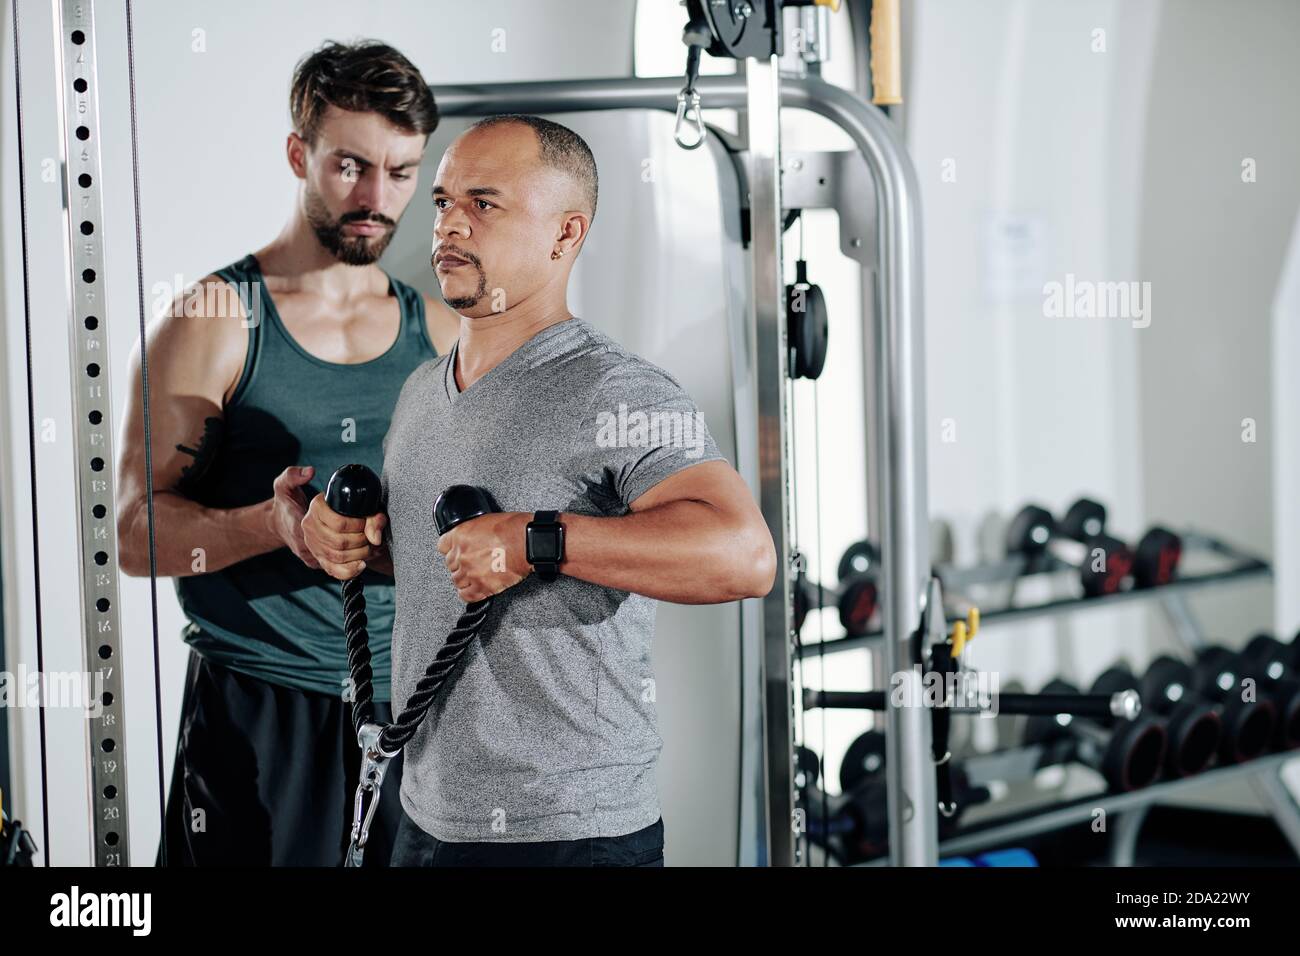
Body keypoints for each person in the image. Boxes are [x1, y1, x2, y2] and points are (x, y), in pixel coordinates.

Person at [302, 115, 776, 867]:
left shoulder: (619, 390)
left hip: (568, 833)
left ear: (565, 235)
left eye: (484, 205)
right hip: (426, 814)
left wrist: (538, 539)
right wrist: (348, 541)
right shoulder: (425, 390)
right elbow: (453, 566)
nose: (451, 224)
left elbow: (743, 555)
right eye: (444, 202)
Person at [116, 39, 458, 866]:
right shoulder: (215, 321)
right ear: (298, 154)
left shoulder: (441, 334)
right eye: (351, 166)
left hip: (414, 709)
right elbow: (130, 535)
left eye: (403, 172)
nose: (378, 197)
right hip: (262, 710)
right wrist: (276, 525)